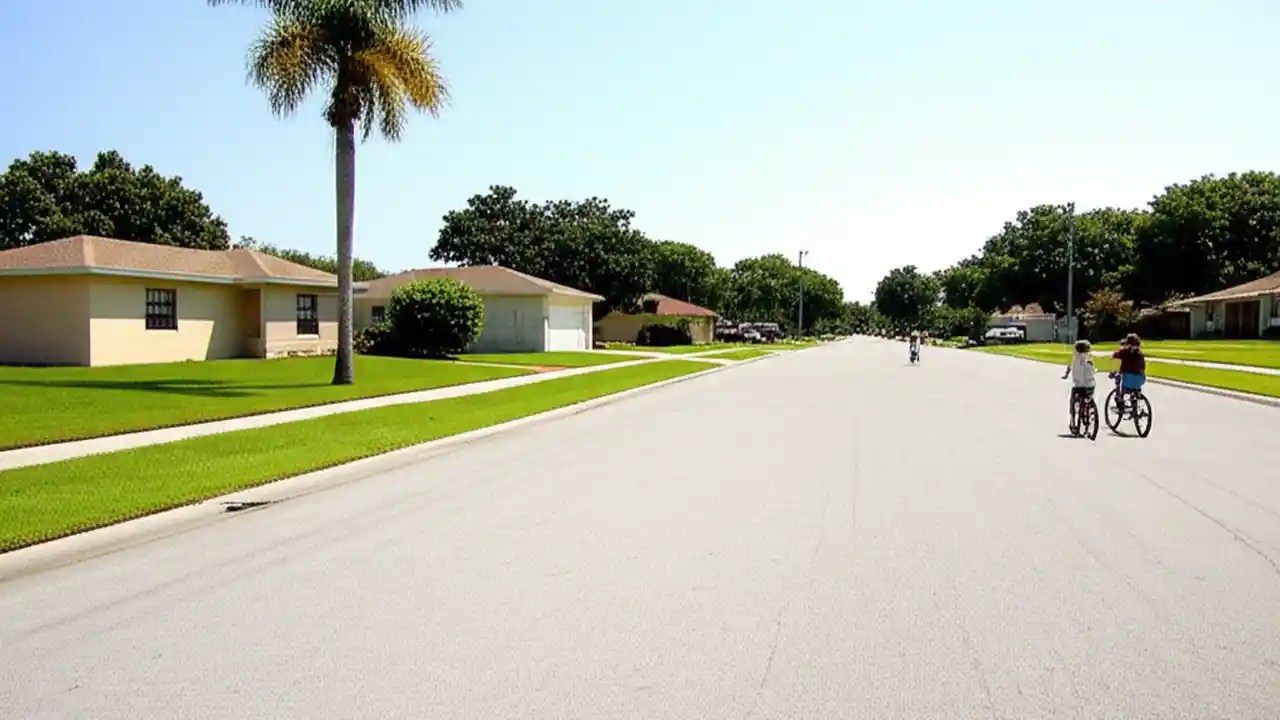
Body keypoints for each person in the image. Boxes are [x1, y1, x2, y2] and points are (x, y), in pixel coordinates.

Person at [1062, 339, 1096, 431]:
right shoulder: (1089, 360)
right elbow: (1093, 370)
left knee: (1073, 401)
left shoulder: (1075, 359)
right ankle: (1088, 405)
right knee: (1089, 396)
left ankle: (1073, 420)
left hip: (1078, 386)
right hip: (1090, 386)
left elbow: (1069, 367)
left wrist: (1066, 375)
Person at [1112, 333, 1147, 404]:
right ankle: (1134, 406)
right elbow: (1142, 368)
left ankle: (1120, 398)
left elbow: (1115, 355)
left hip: (1126, 381)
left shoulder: (1124, 352)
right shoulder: (1140, 354)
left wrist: (1121, 348)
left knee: (1118, 377)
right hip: (1138, 381)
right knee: (1134, 389)